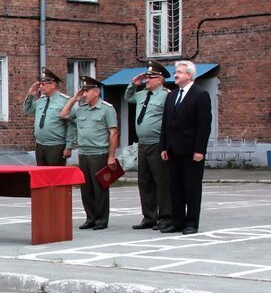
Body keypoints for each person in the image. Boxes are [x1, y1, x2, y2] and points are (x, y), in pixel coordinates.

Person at [159, 60, 212, 235]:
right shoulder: (172, 96)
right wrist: (164, 147)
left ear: (189, 75)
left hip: (191, 150)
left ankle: (192, 223)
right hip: (173, 149)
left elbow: (204, 125)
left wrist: (200, 150)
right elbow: (166, 123)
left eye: (179, 72)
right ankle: (177, 221)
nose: (175, 75)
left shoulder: (200, 95)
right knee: (175, 187)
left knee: (192, 187)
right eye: (176, 72)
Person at [60, 75, 118, 230]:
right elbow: (63, 114)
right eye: (83, 91)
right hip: (83, 153)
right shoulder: (81, 110)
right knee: (86, 189)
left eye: (87, 91)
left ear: (97, 92)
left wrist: (111, 156)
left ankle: (101, 219)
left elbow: (113, 133)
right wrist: (74, 99)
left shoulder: (107, 109)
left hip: (99, 153)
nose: (84, 94)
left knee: (100, 188)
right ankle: (90, 217)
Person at [123, 60, 173, 230]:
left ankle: (165, 217)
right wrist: (133, 84)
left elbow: (170, 120)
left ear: (160, 79)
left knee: (162, 181)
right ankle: (149, 216)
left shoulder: (167, 95)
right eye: (146, 78)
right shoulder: (142, 94)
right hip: (143, 144)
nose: (147, 81)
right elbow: (128, 97)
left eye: (151, 78)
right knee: (145, 182)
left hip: (158, 143)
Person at [22, 68, 75, 166]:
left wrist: (69, 146)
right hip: (40, 145)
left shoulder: (65, 101)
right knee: (42, 177)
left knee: (55, 177)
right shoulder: (41, 100)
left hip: (56, 146)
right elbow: (27, 110)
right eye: (40, 84)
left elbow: (71, 125)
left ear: (53, 85)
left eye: (43, 84)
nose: (40, 87)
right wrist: (30, 95)